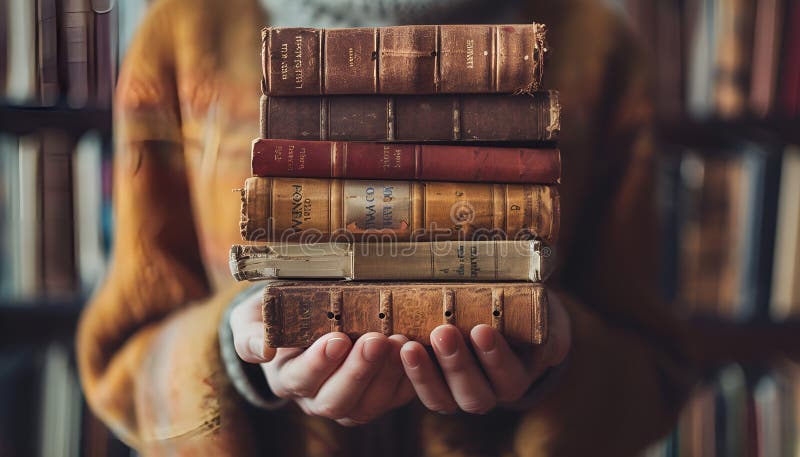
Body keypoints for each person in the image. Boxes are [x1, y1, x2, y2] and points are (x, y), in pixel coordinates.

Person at [77, 0, 697, 455]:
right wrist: (240, 352)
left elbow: (652, 372)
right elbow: (122, 365)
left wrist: (554, 353)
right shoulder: (185, 34)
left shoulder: (595, 46)